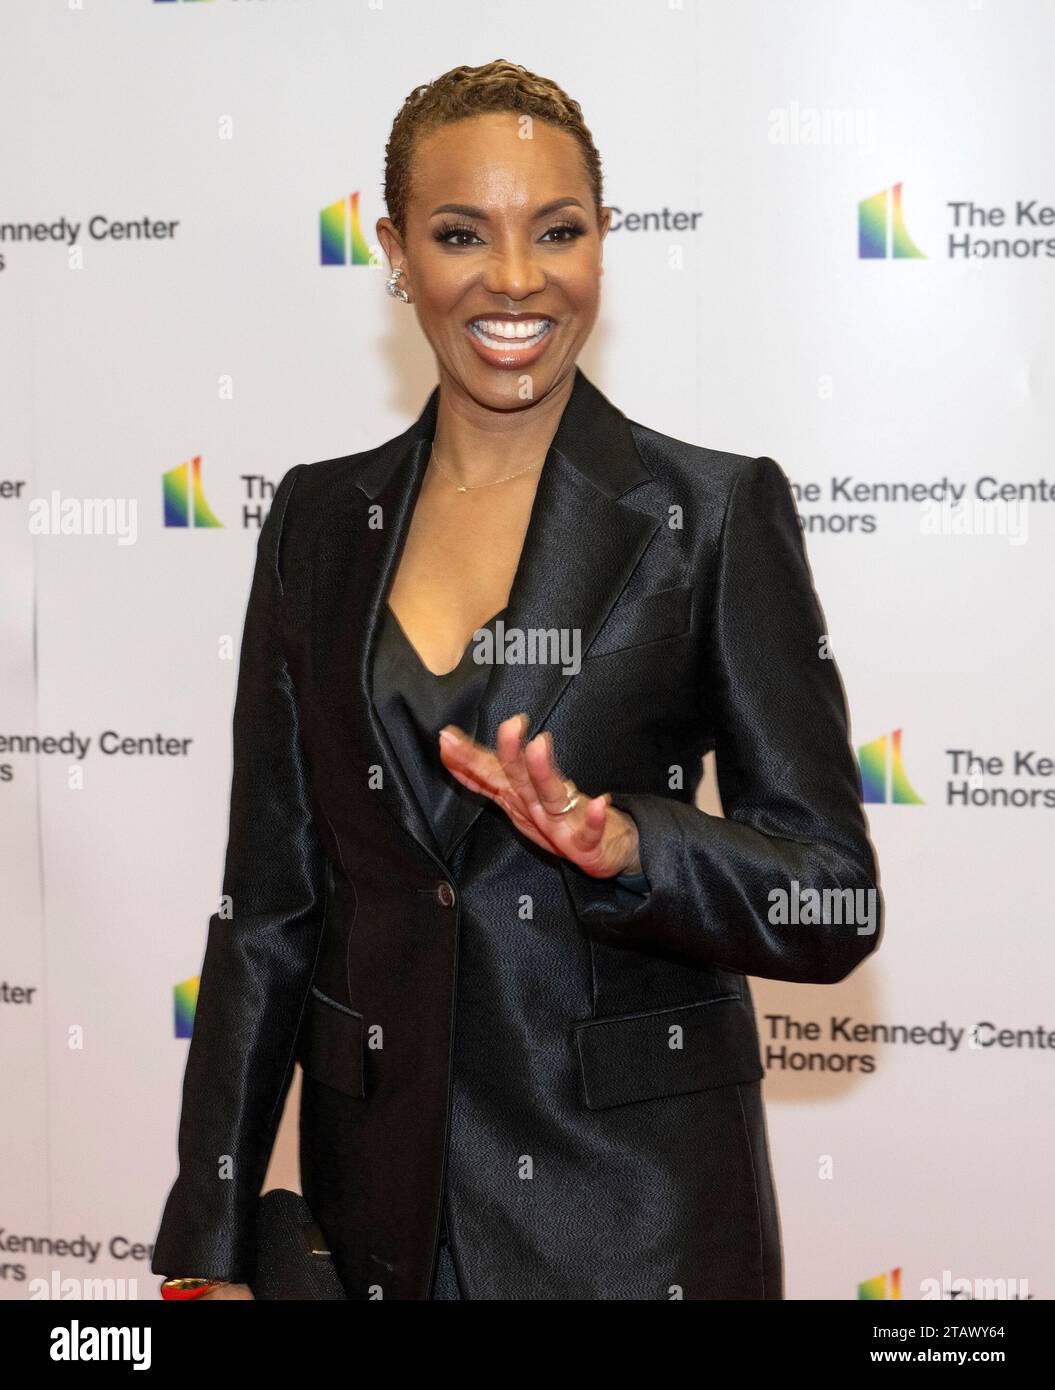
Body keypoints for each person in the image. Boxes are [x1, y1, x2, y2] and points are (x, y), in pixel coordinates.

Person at [152, 58, 881, 1301]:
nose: (512, 278)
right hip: (377, 1219)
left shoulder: (704, 516)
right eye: (457, 233)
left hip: (634, 1223)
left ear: (601, 241)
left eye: (555, 231)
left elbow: (832, 897)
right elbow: (268, 911)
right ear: (393, 251)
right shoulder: (317, 524)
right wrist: (205, 1243)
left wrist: (631, 847)